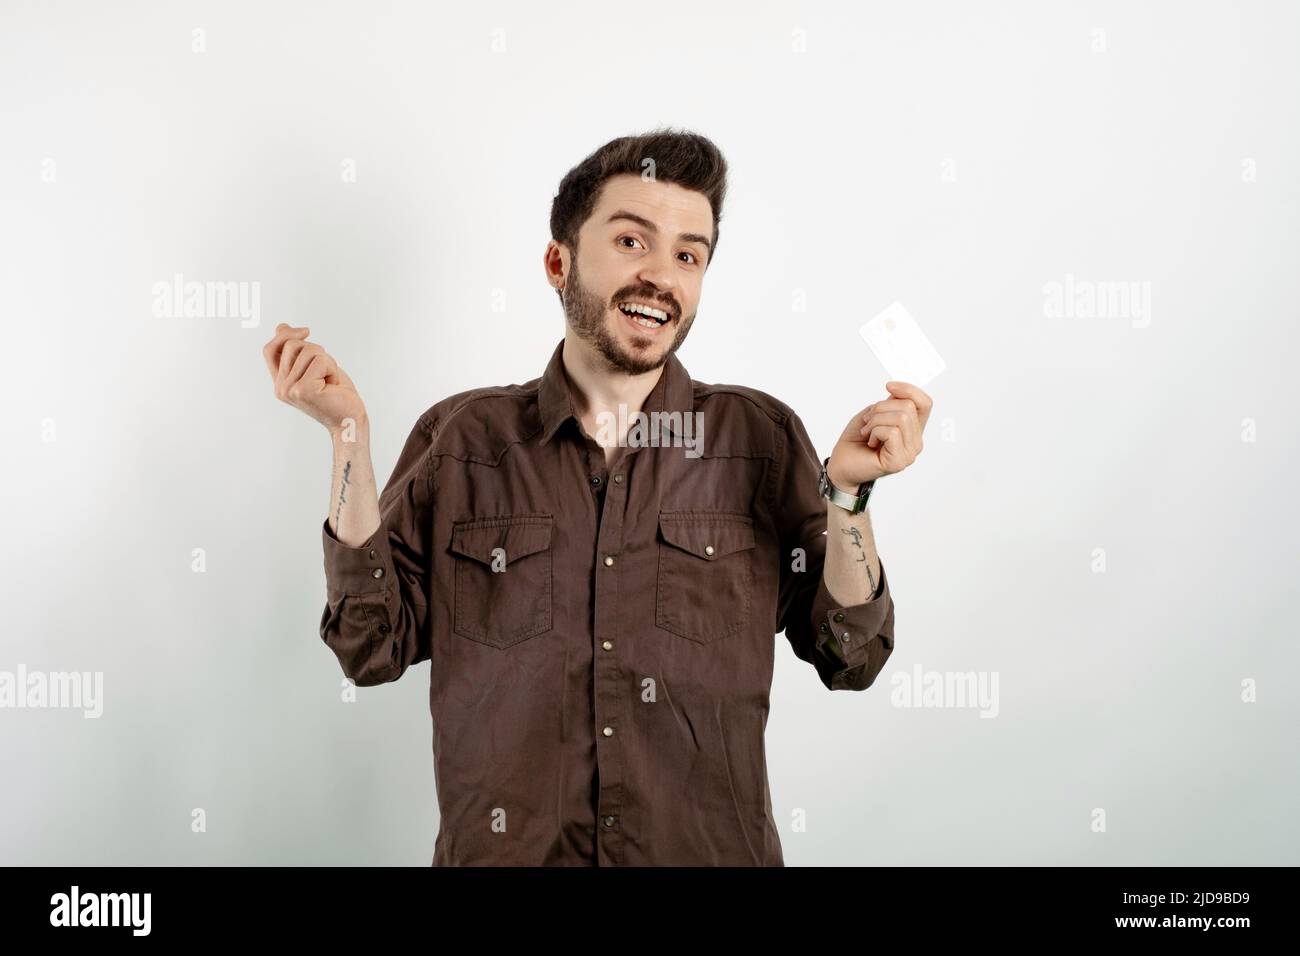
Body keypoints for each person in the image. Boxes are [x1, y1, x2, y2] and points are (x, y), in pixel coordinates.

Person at [262, 128, 931, 866]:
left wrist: (850, 498)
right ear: (558, 261)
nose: (661, 277)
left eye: (688, 255)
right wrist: (348, 436)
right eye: (631, 241)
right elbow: (369, 644)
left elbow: (850, 653)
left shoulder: (758, 439)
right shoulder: (463, 441)